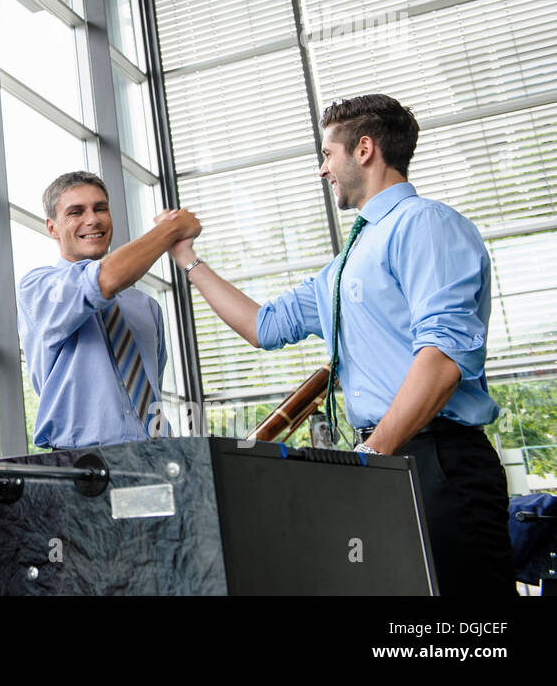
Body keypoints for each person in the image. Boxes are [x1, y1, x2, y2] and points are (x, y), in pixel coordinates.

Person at [172, 93, 513, 595]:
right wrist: (187, 258)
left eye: (327, 154)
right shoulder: (344, 265)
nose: (322, 169)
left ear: (365, 149)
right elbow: (264, 325)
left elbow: (442, 358)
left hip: (437, 460)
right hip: (388, 458)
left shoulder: (425, 225)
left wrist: (374, 454)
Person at [16, 170, 201, 450]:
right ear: (52, 228)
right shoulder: (40, 287)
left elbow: (152, 384)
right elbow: (103, 280)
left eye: (100, 208)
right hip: (80, 461)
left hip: (156, 453)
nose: (93, 219)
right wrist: (171, 229)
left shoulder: (146, 306)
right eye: (76, 212)